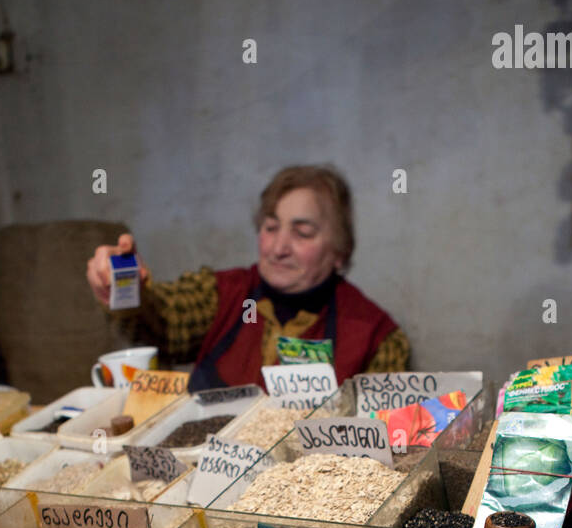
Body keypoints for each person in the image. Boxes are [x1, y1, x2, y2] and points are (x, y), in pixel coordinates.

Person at [86, 164, 410, 391]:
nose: (279, 248)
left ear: (340, 249)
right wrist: (127, 291)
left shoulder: (376, 338)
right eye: (270, 228)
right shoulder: (224, 295)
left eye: (302, 233)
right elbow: (163, 320)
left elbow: (381, 446)